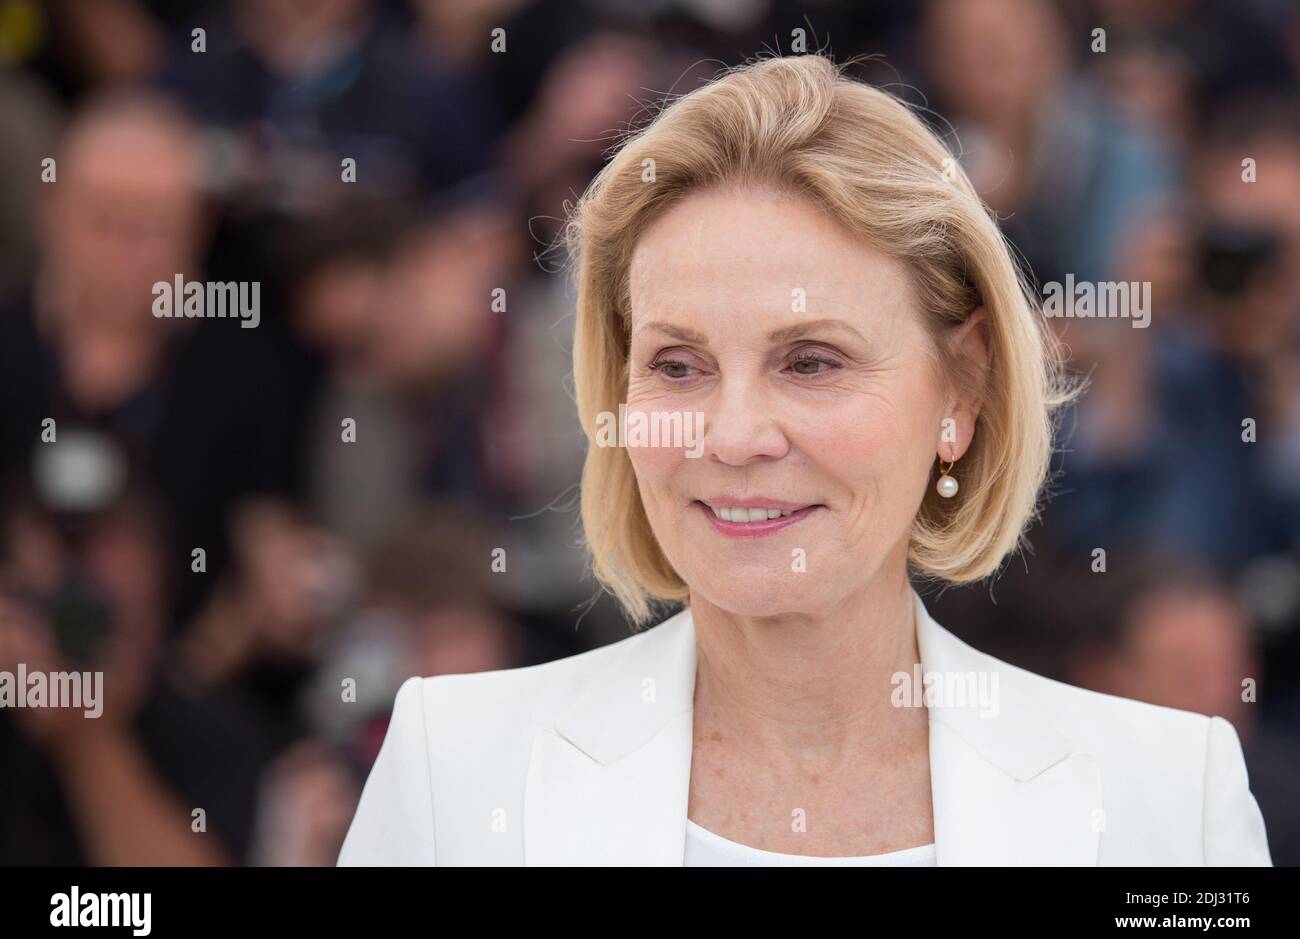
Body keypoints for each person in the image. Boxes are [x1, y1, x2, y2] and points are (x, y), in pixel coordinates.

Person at [337, 55, 1272, 866]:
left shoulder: (1169, 799)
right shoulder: (450, 771)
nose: (734, 435)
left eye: (811, 361)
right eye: (678, 365)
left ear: (963, 391)